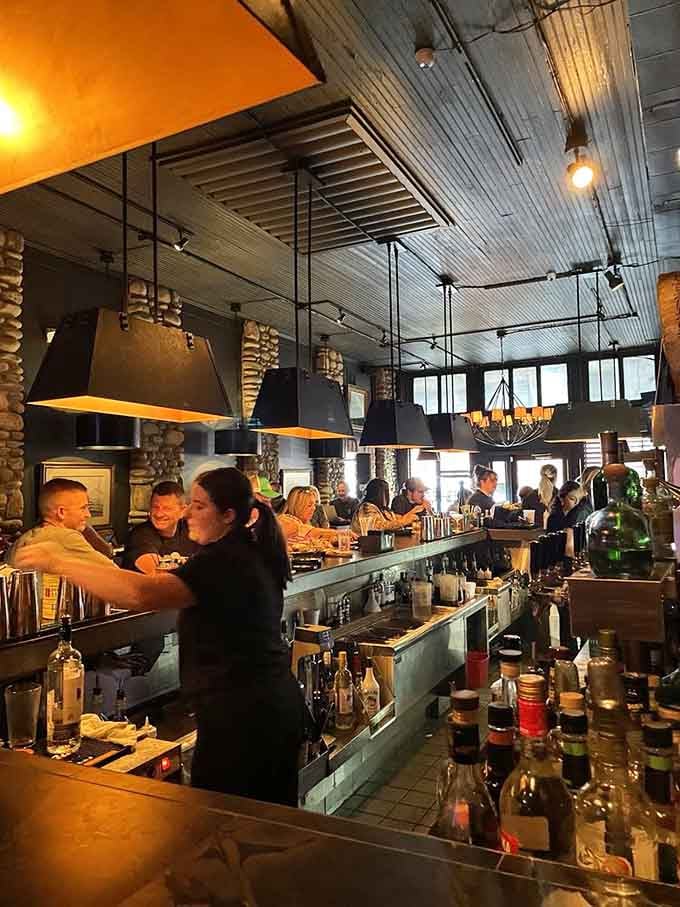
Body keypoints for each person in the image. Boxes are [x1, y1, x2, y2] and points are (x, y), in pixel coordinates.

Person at [16, 467, 304, 806]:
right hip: (259, 710)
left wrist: (59, 562)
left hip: (246, 719)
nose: (187, 513)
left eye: (198, 506)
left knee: (234, 827)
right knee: (259, 828)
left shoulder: (224, 560)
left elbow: (142, 594)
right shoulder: (245, 549)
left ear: (227, 515)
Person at [9, 478, 116, 568]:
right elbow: (116, 575)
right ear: (61, 512)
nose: (88, 514)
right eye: (83, 508)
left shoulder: (22, 540)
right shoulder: (66, 537)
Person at [123, 481, 198, 573]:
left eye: (167, 508)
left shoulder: (192, 529)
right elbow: (157, 575)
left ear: (182, 511)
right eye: (155, 507)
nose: (159, 514)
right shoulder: (141, 535)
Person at [351, 478, 425, 533]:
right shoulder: (366, 508)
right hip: (367, 548)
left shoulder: (384, 510)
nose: (388, 495)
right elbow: (376, 528)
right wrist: (405, 520)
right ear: (377, 493)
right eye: (385, 492)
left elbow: (394, 522)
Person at [278, 486, 344, 543]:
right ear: (297, 506)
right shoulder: (285, 520)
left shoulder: (304, 522)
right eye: (309, 505)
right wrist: (342, 533)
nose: (314, 508)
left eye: (314, 504)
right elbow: (313, 532)